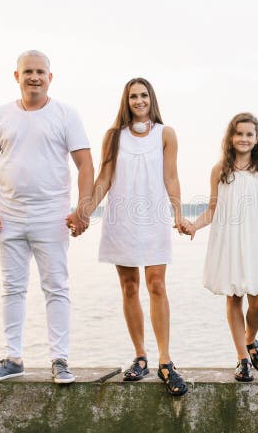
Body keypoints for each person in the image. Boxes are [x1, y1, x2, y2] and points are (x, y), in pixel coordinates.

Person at [0, 50, 94, 384]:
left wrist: (82, 209)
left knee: (56, 287)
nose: (34, 77)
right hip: (9, 216)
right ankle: (13, 359)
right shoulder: (0, 115)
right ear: (17, 76)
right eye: (28, 71)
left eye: (40, 71)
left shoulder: (66, 115)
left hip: (52, 216)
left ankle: (59, 360)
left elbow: (85, 164)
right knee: (12, 287)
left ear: (50, 77)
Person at [76, 77, 189, 396]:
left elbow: (171, 177)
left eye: (143, 95)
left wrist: (178, 213)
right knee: (129, 286)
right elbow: (104, 178)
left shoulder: (166, 134)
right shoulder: (114, 136)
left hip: (153, 217)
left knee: (156, 284)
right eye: (132, 97)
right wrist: (84, 210)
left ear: (151, 99)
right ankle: (140, 357)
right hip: (121, 218)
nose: (138, 101)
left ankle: (165, 360)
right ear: (125, 102)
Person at [185, 113, 258, 382]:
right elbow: (213, 209)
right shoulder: (220, 170)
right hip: (229, 240)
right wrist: (194, 226)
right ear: (231, 137)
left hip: (256, 241)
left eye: (249, 134)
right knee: (234, 297)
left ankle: (250, 340)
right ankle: (242, 358)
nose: (244, 138)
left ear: (257, 139)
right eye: (239, 134)